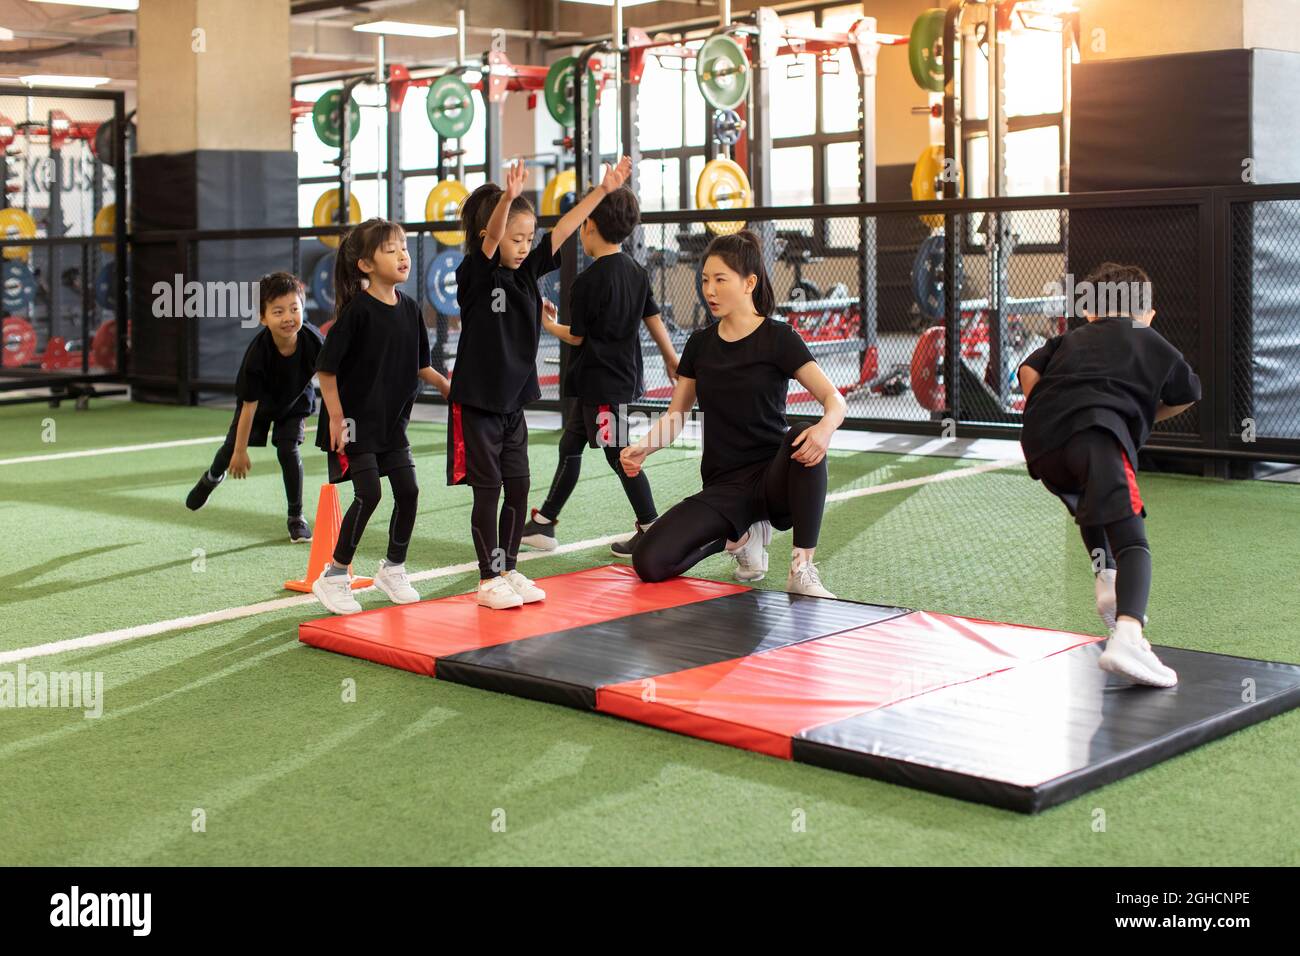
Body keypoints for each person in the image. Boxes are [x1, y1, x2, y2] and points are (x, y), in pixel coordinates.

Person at [449, 156, 633, 609]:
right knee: (488, 490)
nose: (523, 245)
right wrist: (508, 197)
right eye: (516, 238)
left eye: (528, 238)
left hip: (513, 403)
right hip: (479, 403)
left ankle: (510, 568)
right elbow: (491, 238)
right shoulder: (477, 275)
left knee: (518, 486)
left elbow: (565, 229)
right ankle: (488, 577)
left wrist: (602, 191)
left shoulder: (528, 273)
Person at [623, 230, 847, 598]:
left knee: (803, 433)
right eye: (705, 280)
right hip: (724, 486)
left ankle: (802, 568)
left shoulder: (779, 338)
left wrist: (825, 428)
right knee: (649, 563)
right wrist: (643, 448)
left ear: (749, 283)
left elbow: (834, 399)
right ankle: (738, 537)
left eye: (720, 280)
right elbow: (677, 415)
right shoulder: (699, 345)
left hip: (774, 478)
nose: (709, 290)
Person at [1018, 261, 1201, 687]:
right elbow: (1189, 392)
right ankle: (1129, 635)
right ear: (1146, 314)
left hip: (1042, 444)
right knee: (1134, 539)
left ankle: (1105, 576)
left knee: (1089, 501)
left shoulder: (1071, 339)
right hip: (1096, 435)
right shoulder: (1149, 340)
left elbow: (1028, 369)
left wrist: (1050, 409)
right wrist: (1138, 414)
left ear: (1092, 313)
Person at [520, 184, 680, 557]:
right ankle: (544, 523)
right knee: (570, 445)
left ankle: (651, 527)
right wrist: (671, 356)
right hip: (609, 383)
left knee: (619, 454)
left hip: (603, 385)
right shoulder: (637, 272)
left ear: (589, 224)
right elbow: (652, 315)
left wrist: (549, 326)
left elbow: (576, 338)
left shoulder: (588, 281)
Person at [310, 219, 451, 615]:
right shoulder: (357, 312)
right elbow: (327, 368)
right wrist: (336, 418)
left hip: (392, 424)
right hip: (355, 423)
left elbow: (421, 363)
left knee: (408, 491)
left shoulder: (409, 309)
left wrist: (444, 384)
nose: (403, 255)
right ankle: (335, 575)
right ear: (366, 265)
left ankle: (393, 568)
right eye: (391, 250)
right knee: (369, 493)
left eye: (404, 247)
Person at [185, 272, 321, 542]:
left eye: (295, 309)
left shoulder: (314, 341)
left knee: (288, 448)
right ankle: (212, 477)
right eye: (278, 311)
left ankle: (296, 515)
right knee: (229, 449)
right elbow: (248, 408)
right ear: (263, 318)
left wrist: (339, 417)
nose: (288, 317)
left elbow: (331, 380)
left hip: (294, 402)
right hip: (259, 405)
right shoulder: (258, 355)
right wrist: (240, 451)